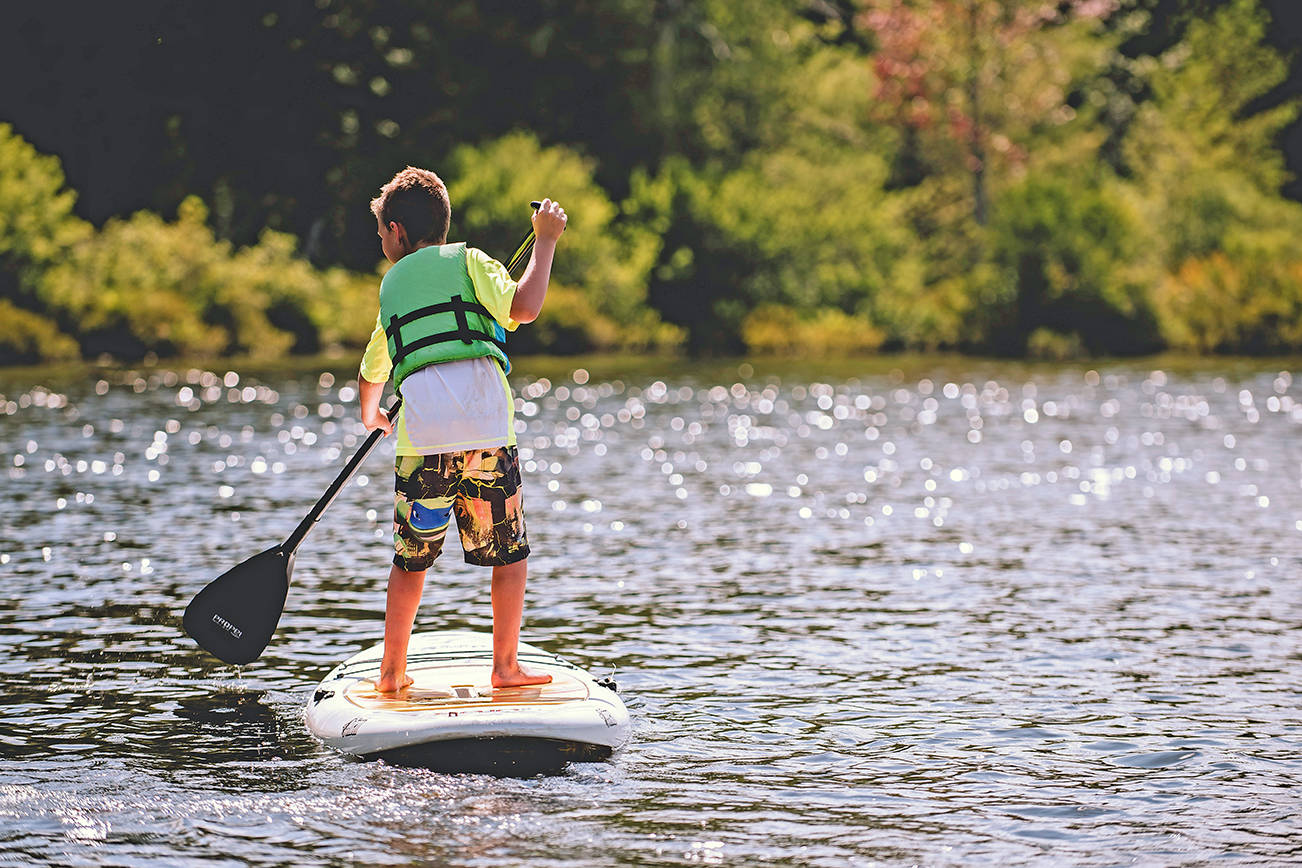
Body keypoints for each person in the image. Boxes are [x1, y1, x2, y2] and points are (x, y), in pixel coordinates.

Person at [356, 166, 566, 693]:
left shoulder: (391, 287)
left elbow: (372, 369)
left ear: (397, 231)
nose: (382, 240)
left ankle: (391, 673)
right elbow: (525, 306)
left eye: (382, 231)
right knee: (509, 554)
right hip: (488, 435)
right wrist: (544, 244)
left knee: (411, 561)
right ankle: (505, 668)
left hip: (423, 443)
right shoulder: (472, 262)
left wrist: (371, 415)